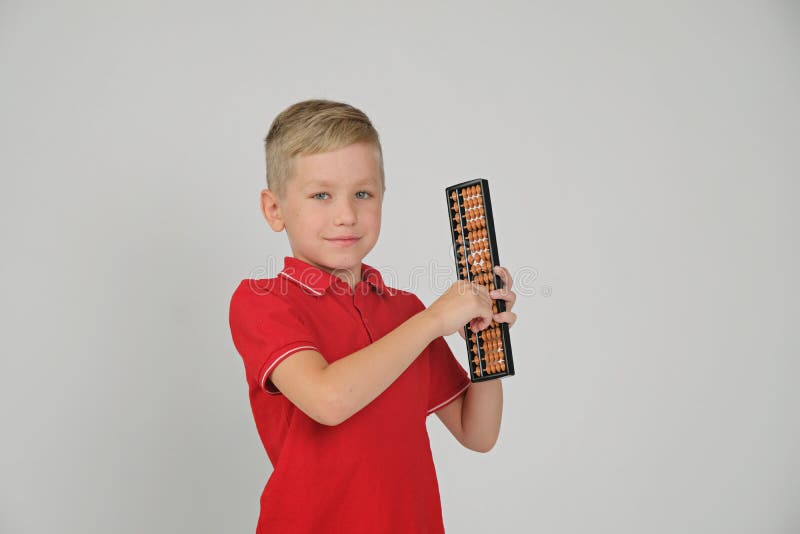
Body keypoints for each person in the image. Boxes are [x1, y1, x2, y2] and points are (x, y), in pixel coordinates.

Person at [228, 99, 518, 533]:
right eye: (321, 195)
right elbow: (328, 400)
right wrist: (433, 322)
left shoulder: (405, 311)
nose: (346, 215)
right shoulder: (264, 300)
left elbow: (478, 433)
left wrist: (487, 341)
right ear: (275, 209)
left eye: (362, 193)